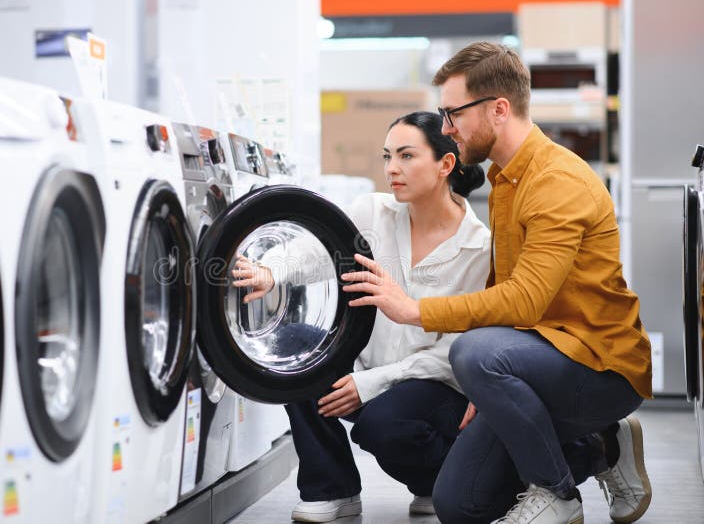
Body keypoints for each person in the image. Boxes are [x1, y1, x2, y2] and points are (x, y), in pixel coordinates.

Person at [342, 42, 652, 524]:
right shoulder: (505, 180)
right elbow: (503, 296)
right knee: (458, 506)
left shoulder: (556, 181)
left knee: (476, 352)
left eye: (452, 113)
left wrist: (414, 310)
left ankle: (558, 496)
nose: (445, 128)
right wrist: (479, 389)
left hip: (597, 366)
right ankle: (603, 447)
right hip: (538, 361)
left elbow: (524, 302)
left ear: (498, 110)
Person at [231, 111, 490, 522]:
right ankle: (332, 489)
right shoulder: (373, 212)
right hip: (367, 370)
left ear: (445, 164)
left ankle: (437, 479)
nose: (392, 170)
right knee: (288, 343)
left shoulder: (479, 248)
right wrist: (271, 271)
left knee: (380, 425)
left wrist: (368, 384)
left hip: (435, 387)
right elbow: (316, 251)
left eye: (406, 156)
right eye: (387, 157)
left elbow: (452, 353)